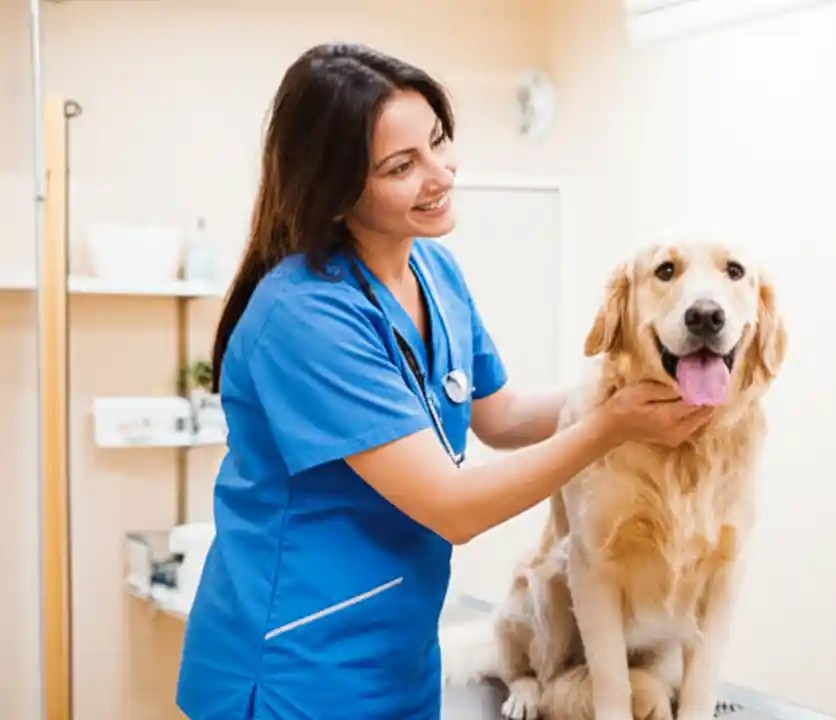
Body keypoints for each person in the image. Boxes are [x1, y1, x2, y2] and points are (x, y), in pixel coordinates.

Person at [174, 43, 714, 720]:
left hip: (398, 655)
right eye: (402, 166)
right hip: (295, 666)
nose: (440, 174)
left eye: (437, 142)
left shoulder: (435, 272)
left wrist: (628, 388)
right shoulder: (302, 317)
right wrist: (613, 425)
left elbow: (504, 414)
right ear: (336, 190)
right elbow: (452, 506)